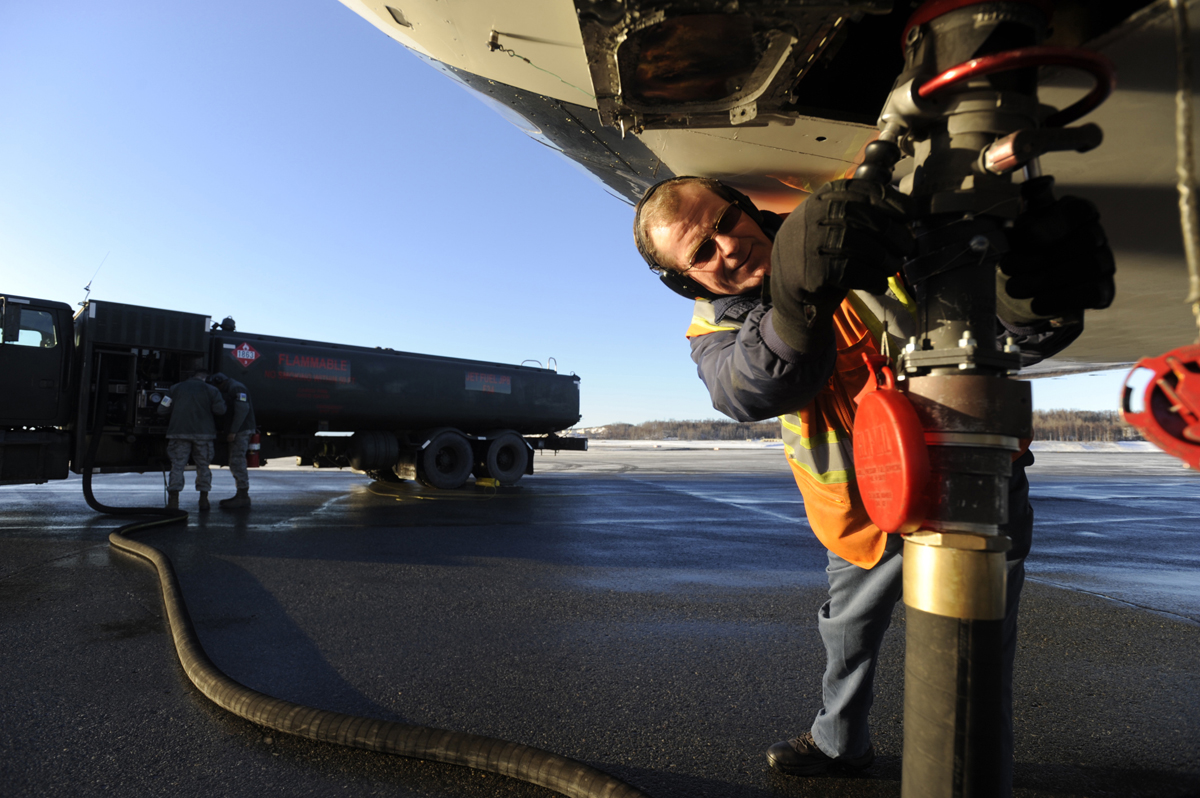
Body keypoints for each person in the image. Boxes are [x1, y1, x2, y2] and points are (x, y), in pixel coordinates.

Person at [633, 175, 1115, 787]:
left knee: (981, 638)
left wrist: (1037, 307)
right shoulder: (716, 328)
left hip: (971, 473)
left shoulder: (859, 238)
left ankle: (976, 767)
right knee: (848, 632)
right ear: (685, 280)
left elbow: (983, 329)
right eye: (702, 251)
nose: (727, 246)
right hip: (866, 508)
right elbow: (748, 388)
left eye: (725, 221)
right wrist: (797, 297)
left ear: (745, 208)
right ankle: (839, 743)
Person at [158, 368, 227, 510]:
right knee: (203, 466)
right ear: (206, 378)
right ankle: (203, 499)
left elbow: (162, 409)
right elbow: (220, 410)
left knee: (177, 466)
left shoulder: (175, 388)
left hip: (179, 433)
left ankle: (173, 501)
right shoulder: (212, 390)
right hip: (204, 434)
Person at [208, 372, 256, 509]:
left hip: (241, 431)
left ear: (220, 382)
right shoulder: (232, 387)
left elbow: (242, 410)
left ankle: (243, 496)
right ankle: (241, 494)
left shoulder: (236, 388)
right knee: (235, 461)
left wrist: (233, 431)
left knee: (237, 461)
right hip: (239, 430)